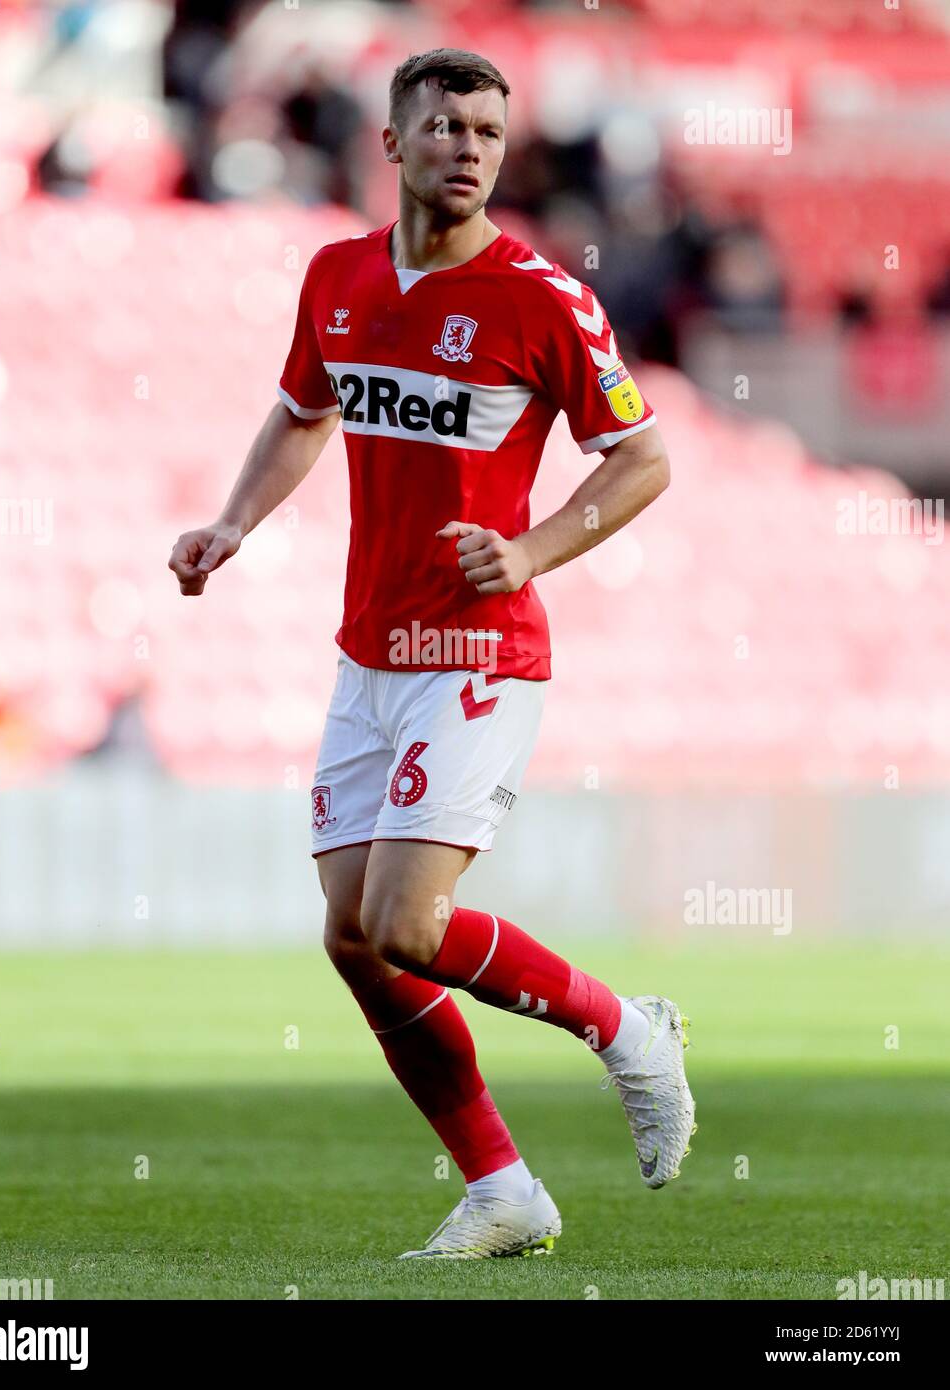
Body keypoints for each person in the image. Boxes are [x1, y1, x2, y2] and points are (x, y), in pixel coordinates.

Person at [168, 48, 695, 1260]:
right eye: (445, 125)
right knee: (351, 937)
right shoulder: (339, 276)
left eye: (488, 132)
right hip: (368, 657)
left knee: (406, 922)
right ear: (393, 144)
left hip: (478, 652)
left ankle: (627, 1029)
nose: (468, 147)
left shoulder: (538, 296)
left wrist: (531, 548)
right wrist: (234, 523)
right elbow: (304, 412)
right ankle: (503, 1188)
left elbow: (644, 457)